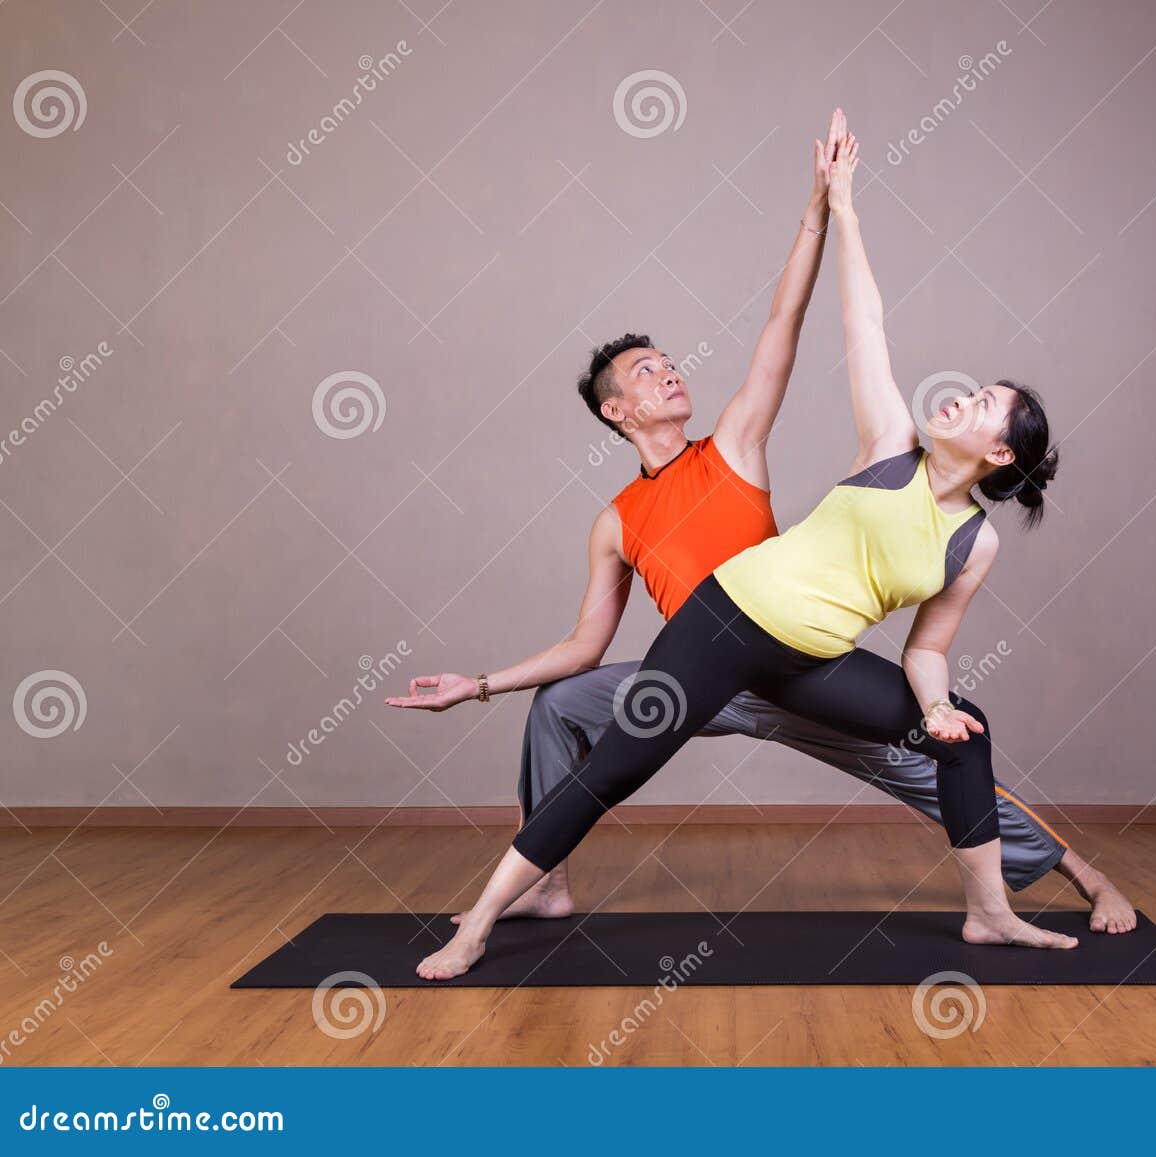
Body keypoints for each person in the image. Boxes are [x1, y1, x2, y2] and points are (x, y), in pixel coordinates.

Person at [409, 127, 1116, 980]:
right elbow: (864, 322)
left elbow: (789, 326)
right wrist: (480, 683)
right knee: (592, 744)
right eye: (647, 371)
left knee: (956, 739)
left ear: (1001, 454)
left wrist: (821, 212)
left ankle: (1001, 908)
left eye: (670, 363)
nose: (669, 373)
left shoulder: (751, 454)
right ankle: (495, 913)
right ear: (615, 412)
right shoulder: (871, 449)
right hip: (719, 635)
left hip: (806, 665)